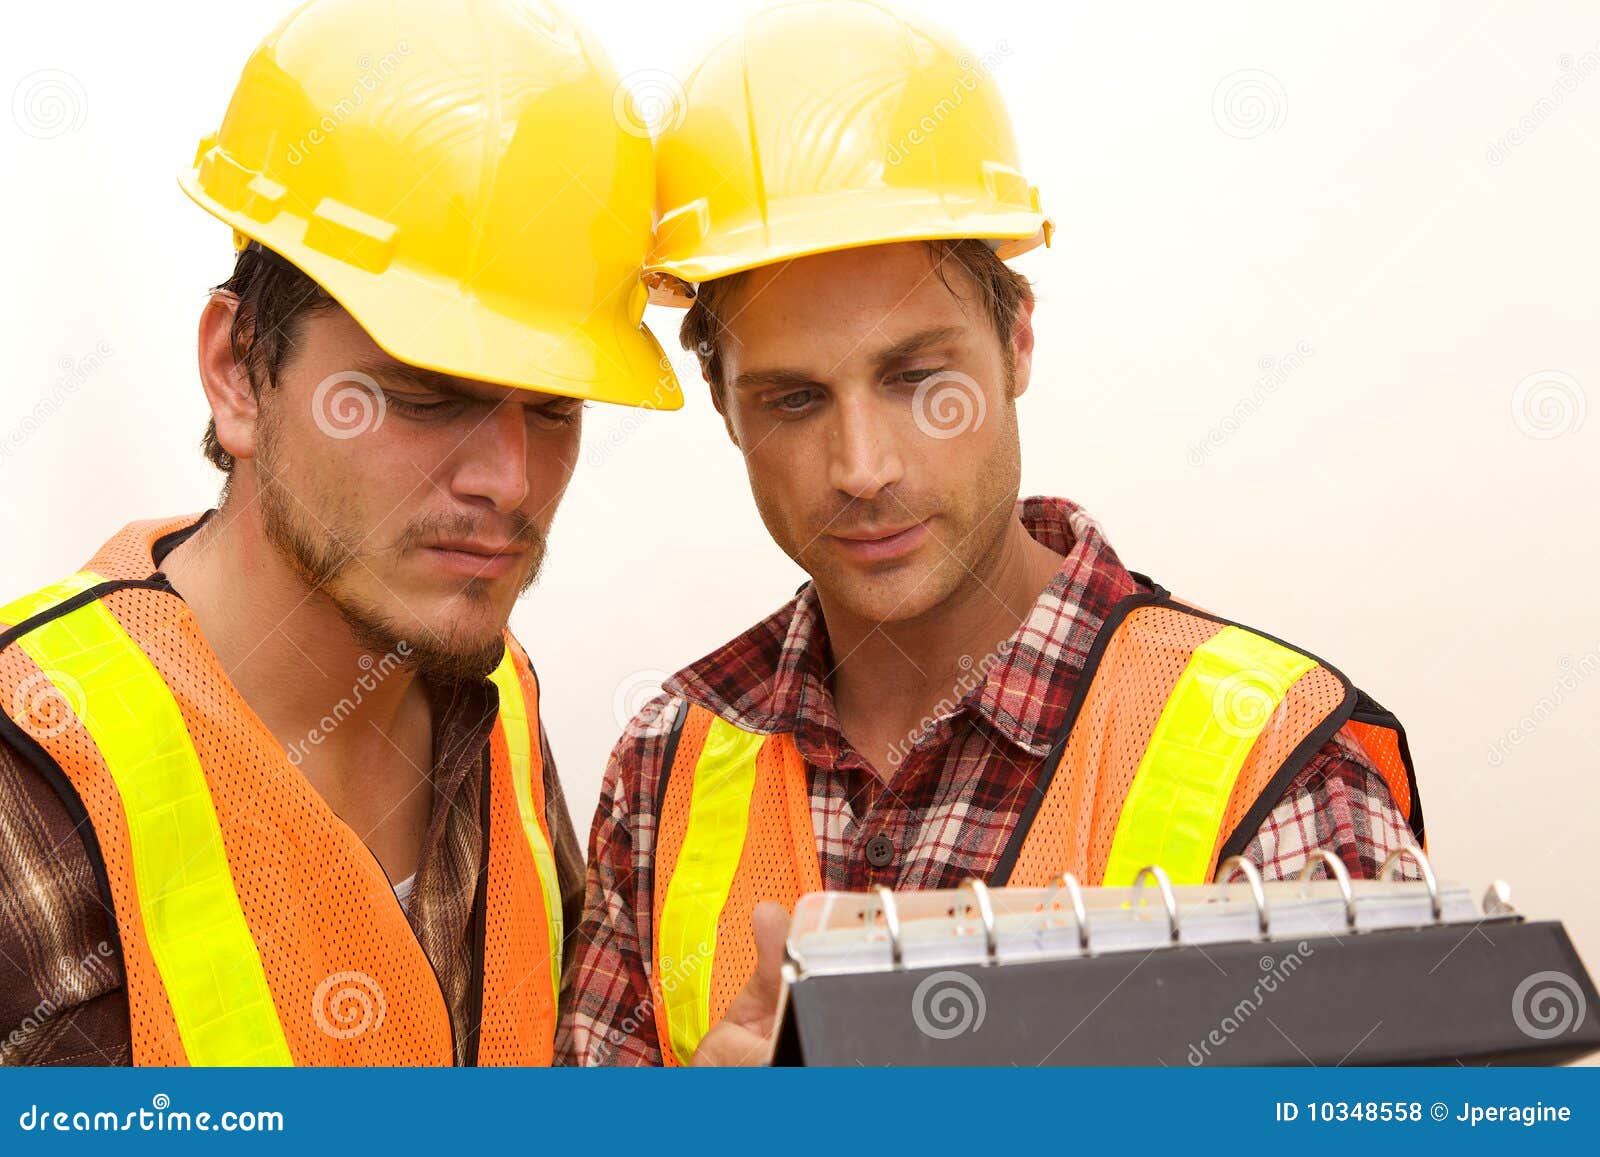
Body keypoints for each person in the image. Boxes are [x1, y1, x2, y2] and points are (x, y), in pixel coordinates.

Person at [560, 0, 1423, 1068]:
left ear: (1015, 341)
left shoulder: (1274, 763)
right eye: (793, 399)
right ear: (723, 400)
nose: (863, 466)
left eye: (918, 378)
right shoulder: (668, 763)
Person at [0, 0, 680, 1066]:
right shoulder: (26, 767)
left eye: (553, 406)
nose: (510, 481)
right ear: (238, 369)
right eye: (424, 393)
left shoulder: (498, 698)